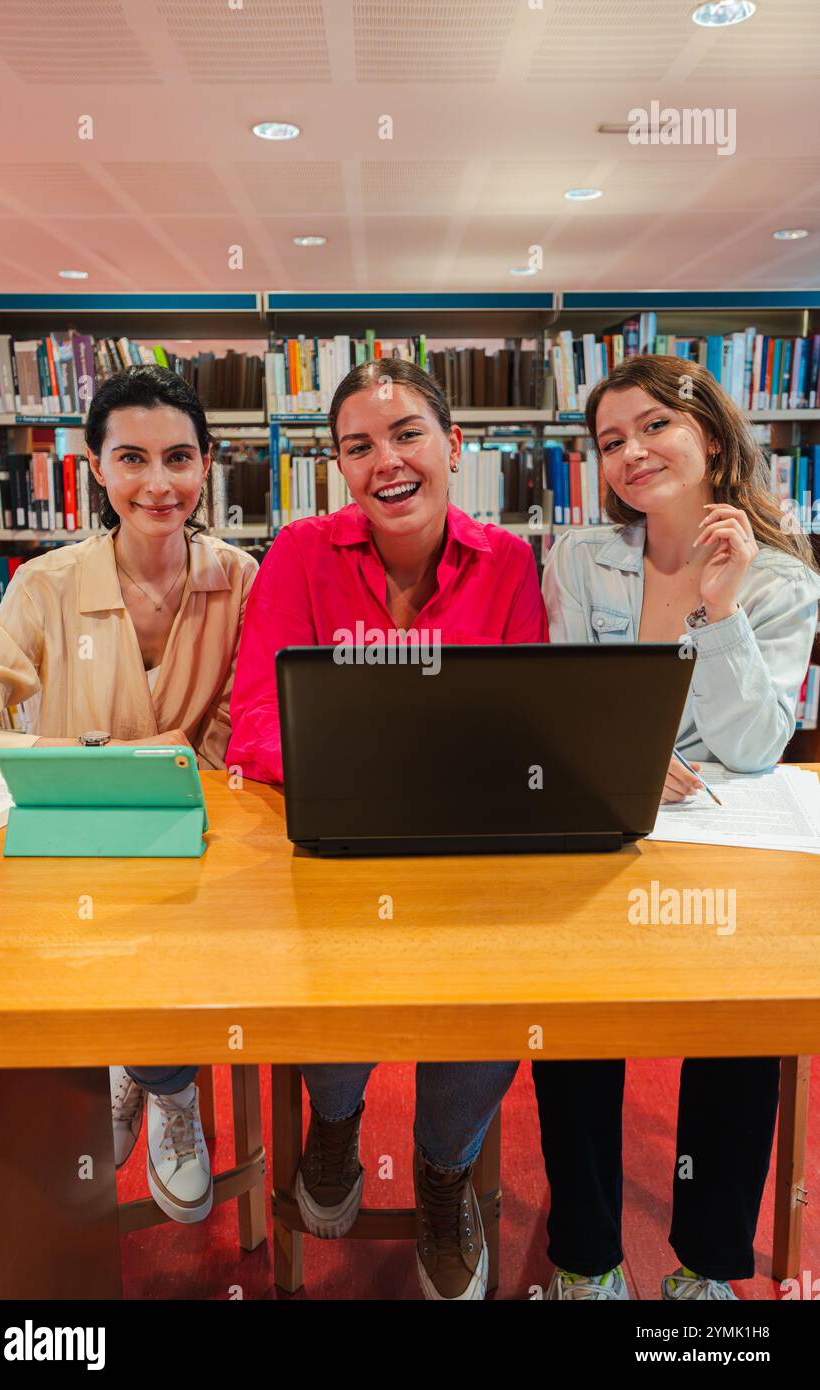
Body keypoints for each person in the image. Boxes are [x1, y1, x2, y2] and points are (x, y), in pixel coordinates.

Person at [227, 357, 548, 1298]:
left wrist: (391, 758)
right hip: (339, 840)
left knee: (493, 988)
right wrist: (392, 772)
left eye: (407, 434)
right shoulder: (296, 554)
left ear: (453, 445)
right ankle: (335, 1118)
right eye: (358, 446)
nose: (386, 462)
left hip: (466, 847)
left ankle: (446, 1168)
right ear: (338, 466)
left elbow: (530, 717)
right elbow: (255, 722)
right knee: (318, 969)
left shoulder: (510, 562)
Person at [536, 354, 820, 1301]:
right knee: (570, 1021)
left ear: (708, 432)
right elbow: (568, 706)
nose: (631, 452)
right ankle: (585, 1260)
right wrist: (618, 756)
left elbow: (751, 749)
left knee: (739, 1029)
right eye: (611, 440)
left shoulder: (780, 580)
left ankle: (705, 1267)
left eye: (654, 426)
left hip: (726, 840)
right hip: (603, 834)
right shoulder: (578, 558)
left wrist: (722, 606)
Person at [0, 364, 258, 1226]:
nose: (157, 484)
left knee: (192, 936)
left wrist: (180, 775)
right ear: (94, 465)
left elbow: (248, 731)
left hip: (205, 852)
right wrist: (94, 760)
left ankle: (156, 1078)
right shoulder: (46, 584)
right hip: (77, 854)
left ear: (207, 465)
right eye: (131, 458)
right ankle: (170, 1087)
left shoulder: (243, 579)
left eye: (178, 458)